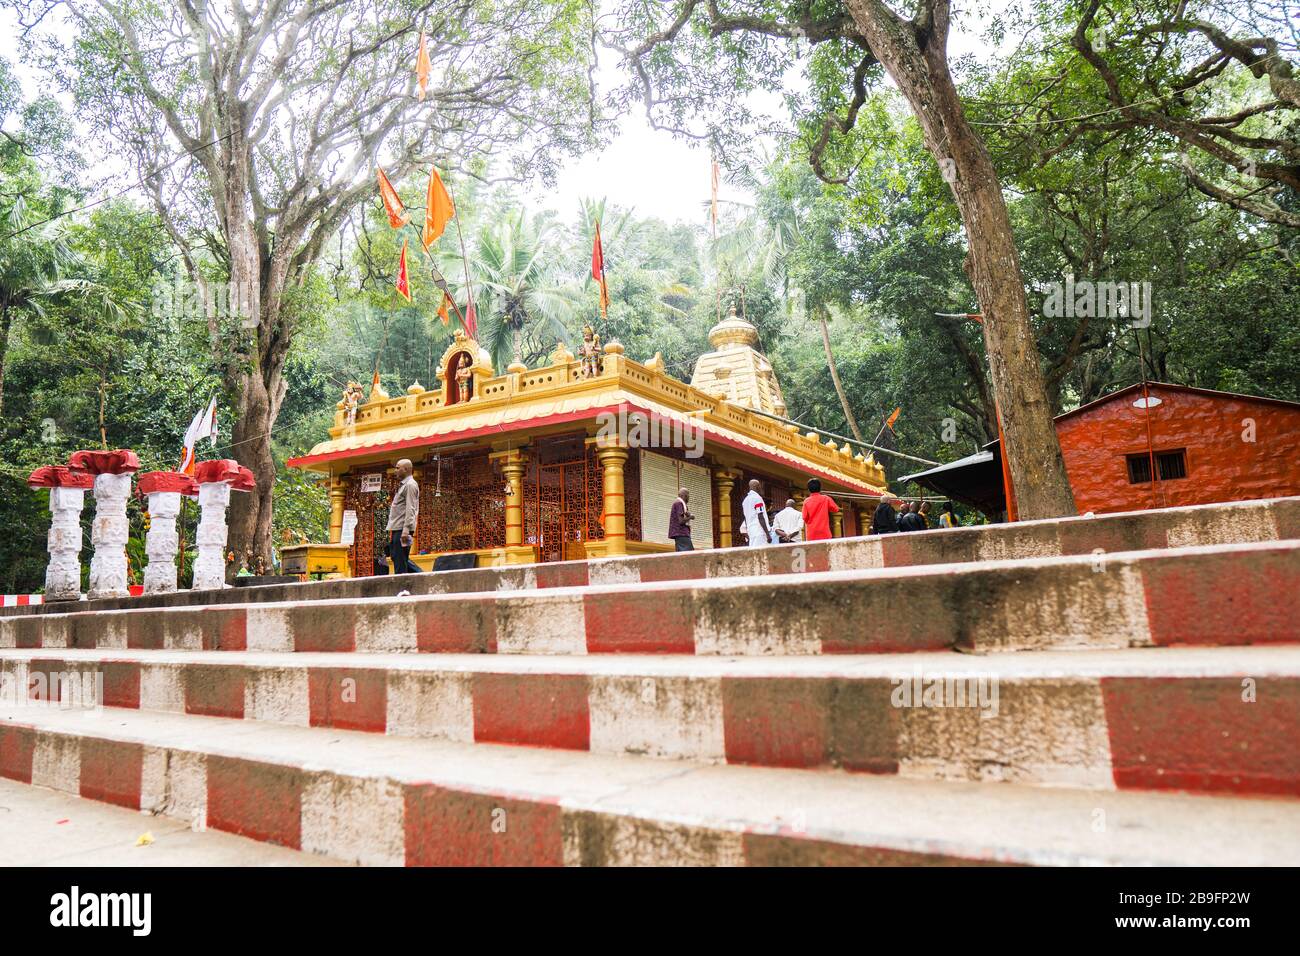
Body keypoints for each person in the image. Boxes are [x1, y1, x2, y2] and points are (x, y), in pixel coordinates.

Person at [385, 458, 421, 574]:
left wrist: (405, 531)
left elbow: (411, 509)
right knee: (398, 557)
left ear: (405, 469)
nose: (395, 470)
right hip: (398, 528)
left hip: (403, 529)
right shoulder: (404, 485)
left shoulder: (410, 485)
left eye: (397, 468)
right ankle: (423, 576)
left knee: (400, 560)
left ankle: (401, 586)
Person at [741, 479, 775, 547]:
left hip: (751, 532)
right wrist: (768, 534)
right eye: (759, 486)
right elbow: (760, 516)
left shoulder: (745, 501)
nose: (760, 488)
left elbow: (746, 518)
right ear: (756, 486)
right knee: (762, 554)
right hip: (760, 532)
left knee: (755, 554)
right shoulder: (757, 498)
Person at [668, 487, 695, 552]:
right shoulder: (679, 503)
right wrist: (690, 517)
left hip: (679, 534)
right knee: (689, 554)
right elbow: (681, 521)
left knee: (681, 554)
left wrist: (688, 515)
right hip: (681, 533)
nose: (689, 498)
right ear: (685, 495)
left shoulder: (679, 503)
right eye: (688, 495)